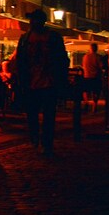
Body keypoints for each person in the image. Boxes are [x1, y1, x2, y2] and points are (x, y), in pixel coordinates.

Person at [15, 9, 69, 157]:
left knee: (48, 115)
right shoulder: (25, 38)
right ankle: (35, 138)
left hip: (49, 82)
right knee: (32, 114)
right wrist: (21, 79)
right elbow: (20, 60)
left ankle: (46, 143)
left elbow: (62, 59)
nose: (32, 23)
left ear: (42, 21)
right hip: (30, 82)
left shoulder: (53, 37)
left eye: (34, 20)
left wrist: (60, 79)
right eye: (31, 20)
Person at [82, 43, 104, 112]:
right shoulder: (98, 57)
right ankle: (94, 106)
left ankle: (86, 102)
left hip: (86, 76)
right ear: (96, 48)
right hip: (96, 77)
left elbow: (83, 66)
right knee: (96, 92)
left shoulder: (85, 57)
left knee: (85, 91)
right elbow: (101, 67)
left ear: (90, 48)